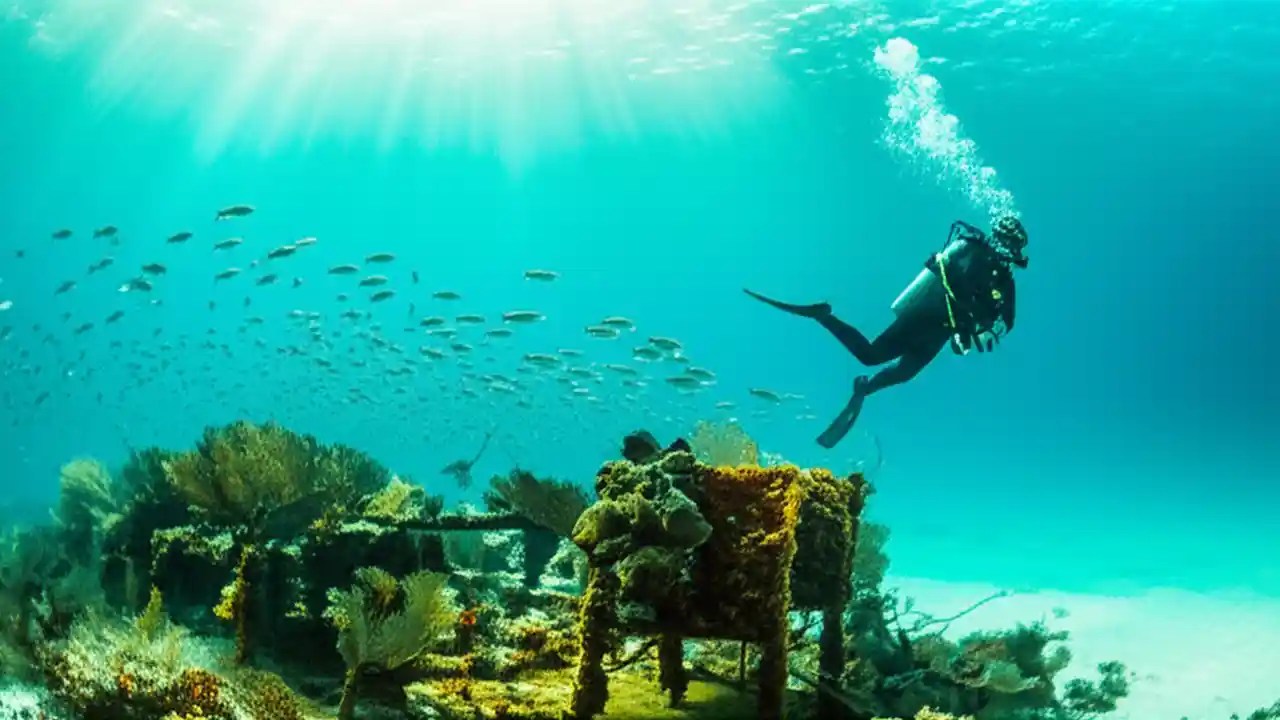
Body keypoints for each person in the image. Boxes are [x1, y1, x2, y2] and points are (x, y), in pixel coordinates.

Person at [745, 216, 1029, 448]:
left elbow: (1006, 321)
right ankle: (823, 316)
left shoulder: (1005, 281)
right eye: (1009, 242)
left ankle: (865, 388)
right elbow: (943, 267)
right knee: (870, 355)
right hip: (924, 317)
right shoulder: (970, 247)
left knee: (904, 374)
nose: (1009, 250)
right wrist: (972, 307)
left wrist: (986, 318)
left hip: (941, 334)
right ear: (999, 236)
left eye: (1015, 247)